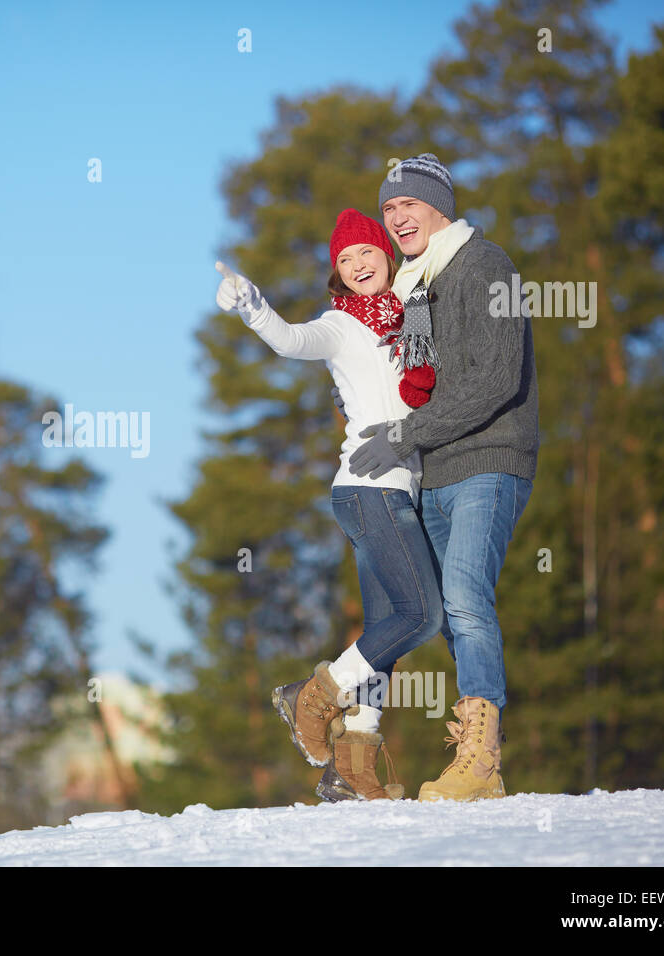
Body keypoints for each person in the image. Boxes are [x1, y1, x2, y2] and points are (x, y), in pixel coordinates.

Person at [215, 208, 444, 801]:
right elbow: (292, 341)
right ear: (338, 276)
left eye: (367, 252)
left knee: (382, 633)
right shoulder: (341, 325)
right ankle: (309, 697)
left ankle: (352, 769)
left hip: (394, 490)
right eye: (346, 260)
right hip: (370, 489)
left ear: (386, 255)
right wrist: (252, 304)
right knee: (422, 616)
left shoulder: (412, 319)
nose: (359, 264)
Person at [347, 153, 538, 801]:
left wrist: (405, 434)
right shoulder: (412, 291)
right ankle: (364, 749)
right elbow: (408, 386)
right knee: (436, 613)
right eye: (388, 208)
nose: (396, 216)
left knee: (462, 592)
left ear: (440, 206)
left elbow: (497, 378)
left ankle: (481, 760)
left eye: (408, 203)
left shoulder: (489, 265)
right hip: (430, 469)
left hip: (489, 456)